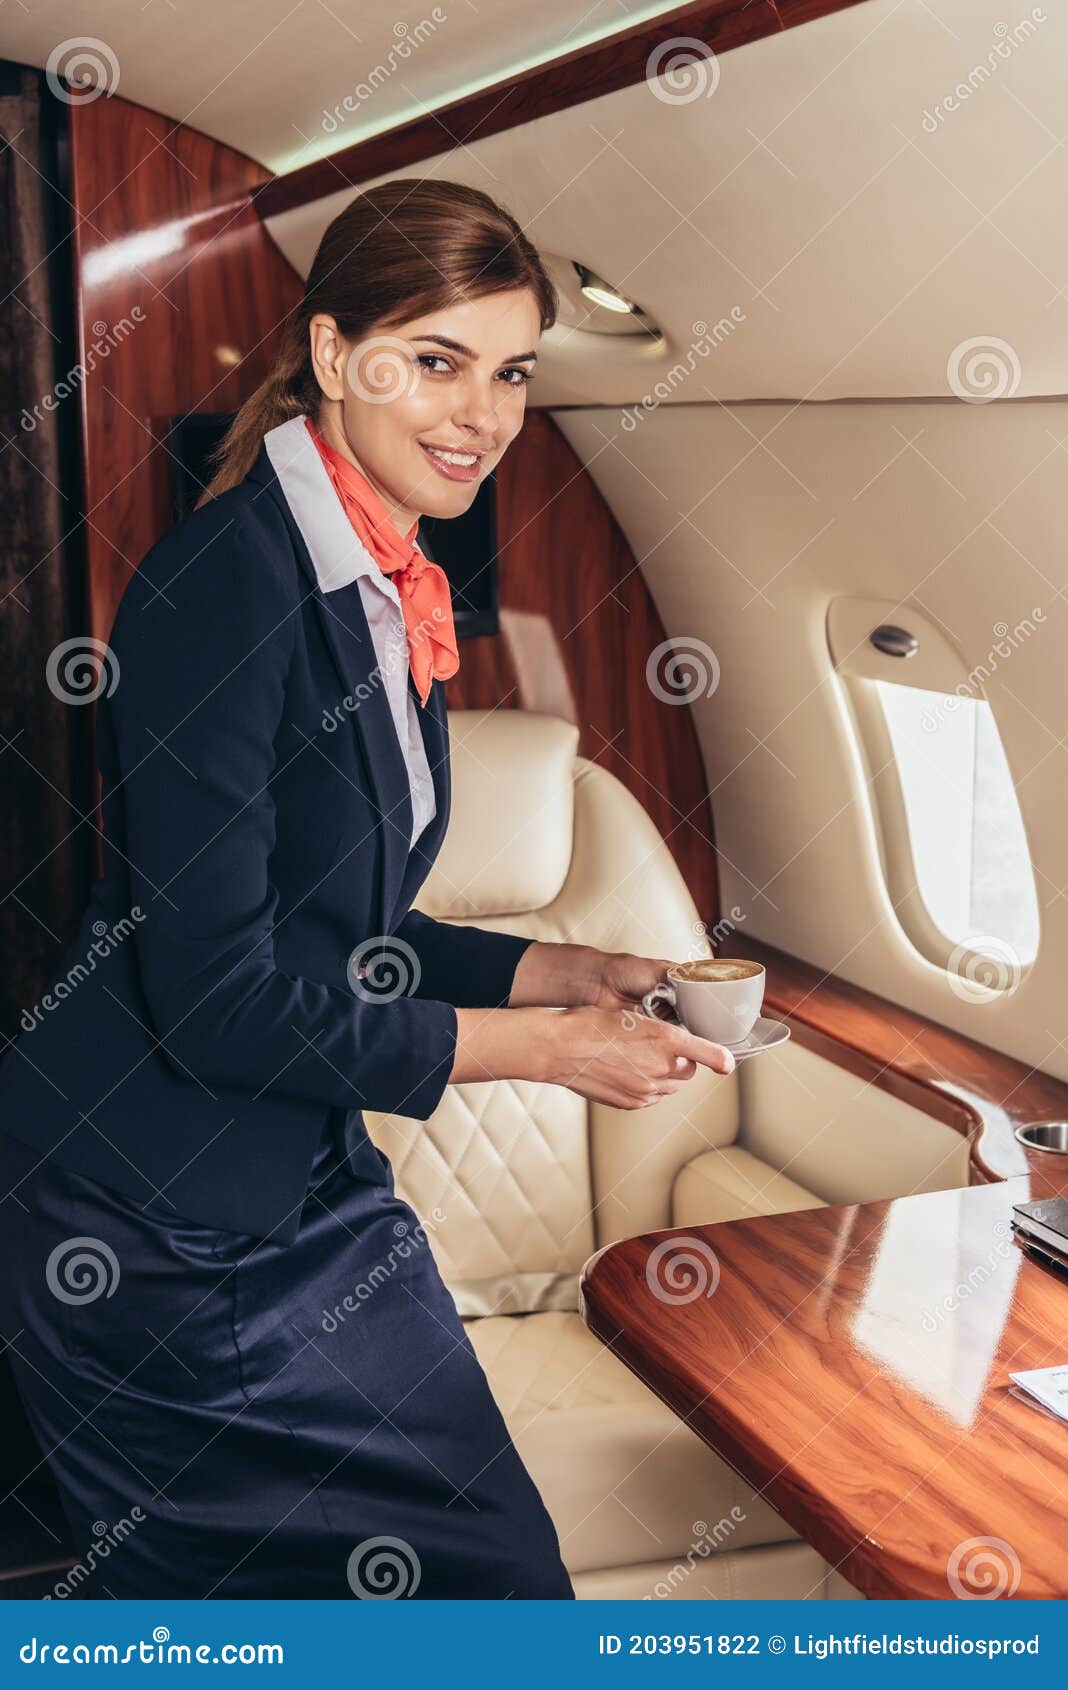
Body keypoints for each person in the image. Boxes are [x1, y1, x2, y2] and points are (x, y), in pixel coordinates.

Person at [0, 177, 734, 1599]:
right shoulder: (228, 583)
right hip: (154, 1226)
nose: (484, 413)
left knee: (474, 1589)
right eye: (437, 361)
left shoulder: (379, 575)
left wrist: (571, 972)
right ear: (334, 354)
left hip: (299, 1183)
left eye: (512, 371)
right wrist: (548, 1051)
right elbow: (217, 997)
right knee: (451, 1597)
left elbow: (342, 926)